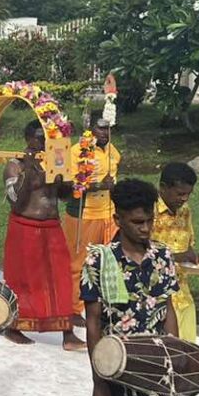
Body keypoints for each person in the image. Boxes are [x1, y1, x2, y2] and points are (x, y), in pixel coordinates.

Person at [83, 179, 185, 396]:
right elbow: (93, 323)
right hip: (117, 371)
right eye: (137, 221)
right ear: (118, 219)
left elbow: (168, 309)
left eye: (150, 220)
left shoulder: (163, 256)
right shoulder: (100, 260)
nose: (145, 228)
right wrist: (98, 380)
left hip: (157, 371)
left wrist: (175, 358)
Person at [2, 121, 85, 351]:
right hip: (25, 227)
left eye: (47, 138)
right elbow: (16, 202)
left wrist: (67, 180)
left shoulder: (54, 160)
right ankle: (13, 326)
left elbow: (66, 196)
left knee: (61, 278)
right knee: (24, 280)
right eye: (39, 137)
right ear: (28, 139)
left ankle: (67, 334)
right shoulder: (14, 166)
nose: (43, 142)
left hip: (52, 226)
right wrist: (29, 170)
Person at [153, 161, 199, 396]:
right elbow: (145, 250)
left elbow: (189, 244)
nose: (183, 199)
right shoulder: (149, 211)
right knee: (165, 347)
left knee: (186, 346)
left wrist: (194, 257)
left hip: (181, 289)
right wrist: (180, 255)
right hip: (156, 292)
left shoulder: (185, 212)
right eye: (179, 194)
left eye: (188, 194)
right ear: (163, 188)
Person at [63, 116, 120, 319]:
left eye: (107, 129)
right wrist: (99, 186)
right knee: (78, 263)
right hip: (83, 215)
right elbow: (70, 186)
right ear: (90, 128)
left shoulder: (113, 152)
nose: (105, 132)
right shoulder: (78, 152)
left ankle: (103, 306)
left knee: (106, 263)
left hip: (109, 215)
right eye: (100, 128)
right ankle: (73, 309)